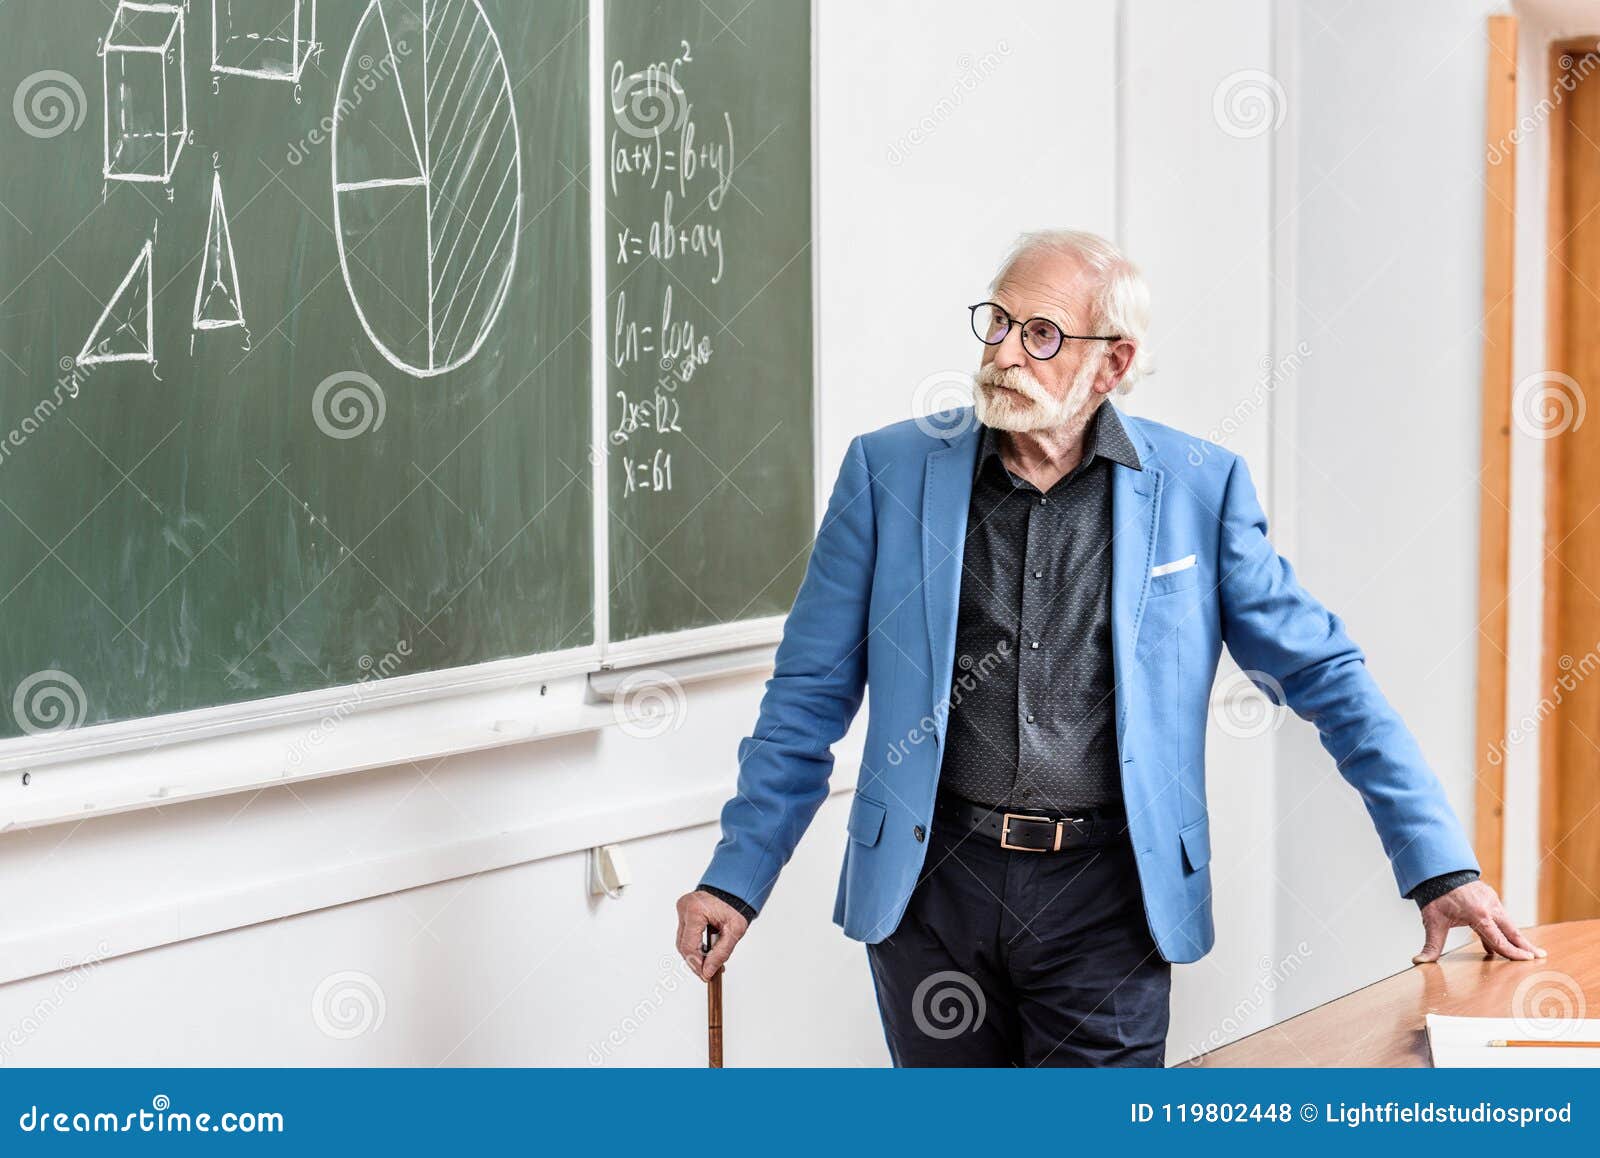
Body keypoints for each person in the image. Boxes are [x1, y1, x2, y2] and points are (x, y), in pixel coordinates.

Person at [674, 229, 1542, 1067]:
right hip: (932, 890)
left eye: (1041, 334)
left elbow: (1328, 677)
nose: (1004, 352)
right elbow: (808, 693)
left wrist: (1438, 865)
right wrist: (735, 877)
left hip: (1108, 903)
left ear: (1113, 363)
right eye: (998, 321)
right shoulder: (889, 471)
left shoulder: (1200, 488)